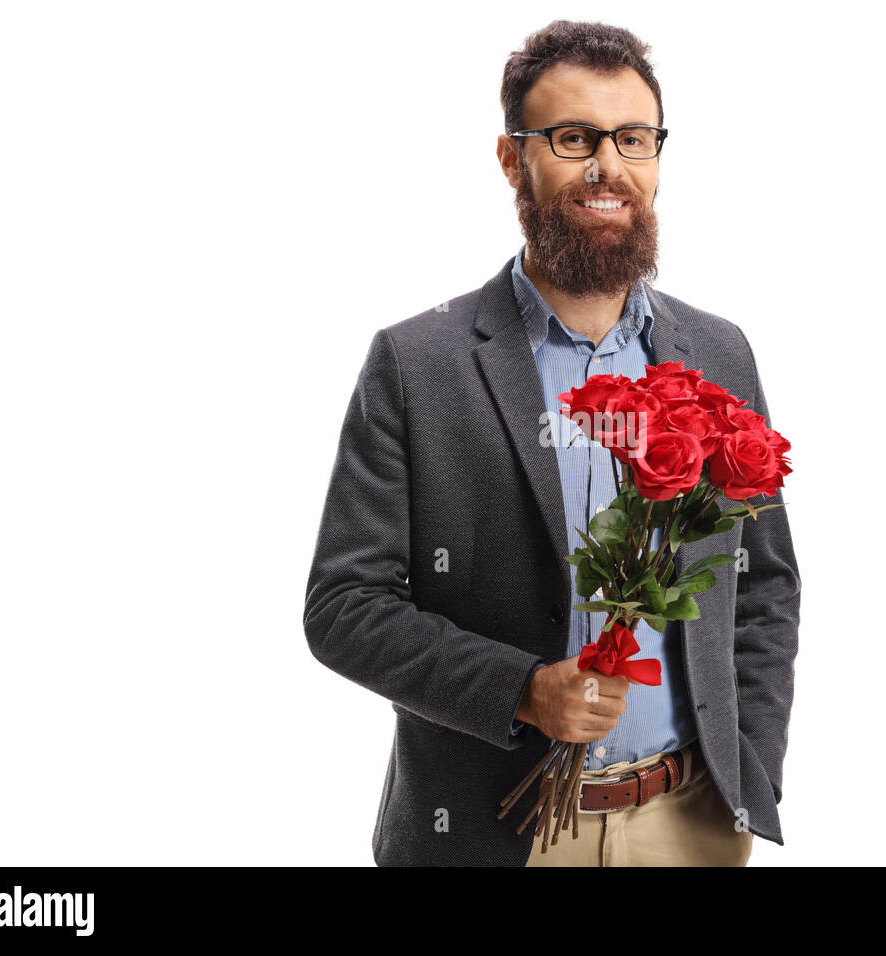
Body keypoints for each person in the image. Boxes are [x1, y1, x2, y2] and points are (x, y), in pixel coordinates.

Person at [303, 19, 800, 867]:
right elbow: (344, 609)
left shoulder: (720, 353)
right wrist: (523, 692)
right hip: (496, 831)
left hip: (691, 826)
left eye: (633, 139)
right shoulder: (418, 363)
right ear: (512, 159)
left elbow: (763, 585)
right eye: (575, 138)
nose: (609, 167)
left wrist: (749, 771)